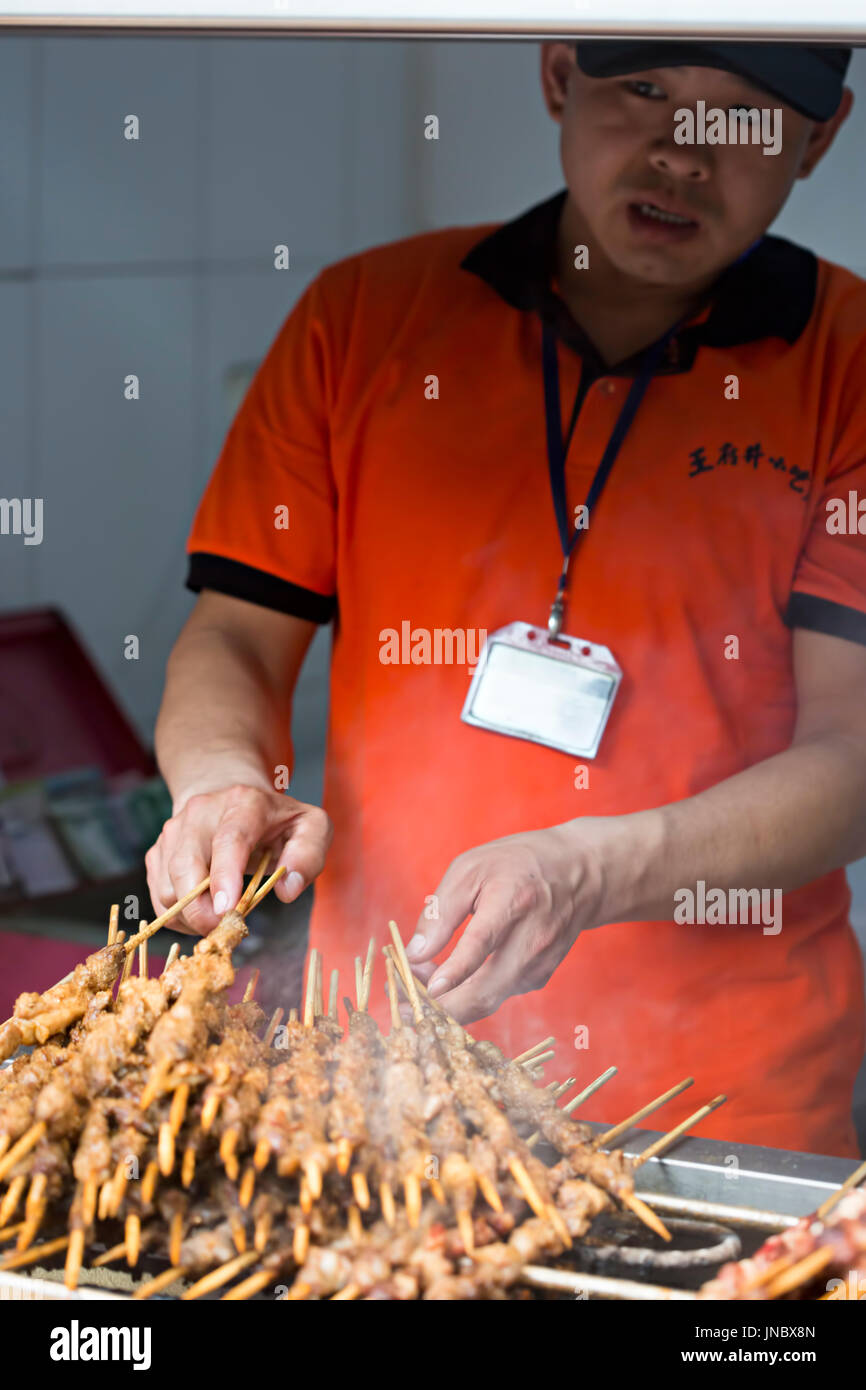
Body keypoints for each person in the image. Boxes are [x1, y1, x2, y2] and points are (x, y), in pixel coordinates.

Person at [147, 39, 866, 1157]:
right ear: (554, 76)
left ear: (818, 138)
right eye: (644, 93)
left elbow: (853, 749)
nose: (682, 155)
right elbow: (236, 631)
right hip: (376, 1079)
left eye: (745, 120)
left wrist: (591, 868)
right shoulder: (364, 318)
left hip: (722, 1100)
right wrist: (220, 781)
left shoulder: (850, 363)